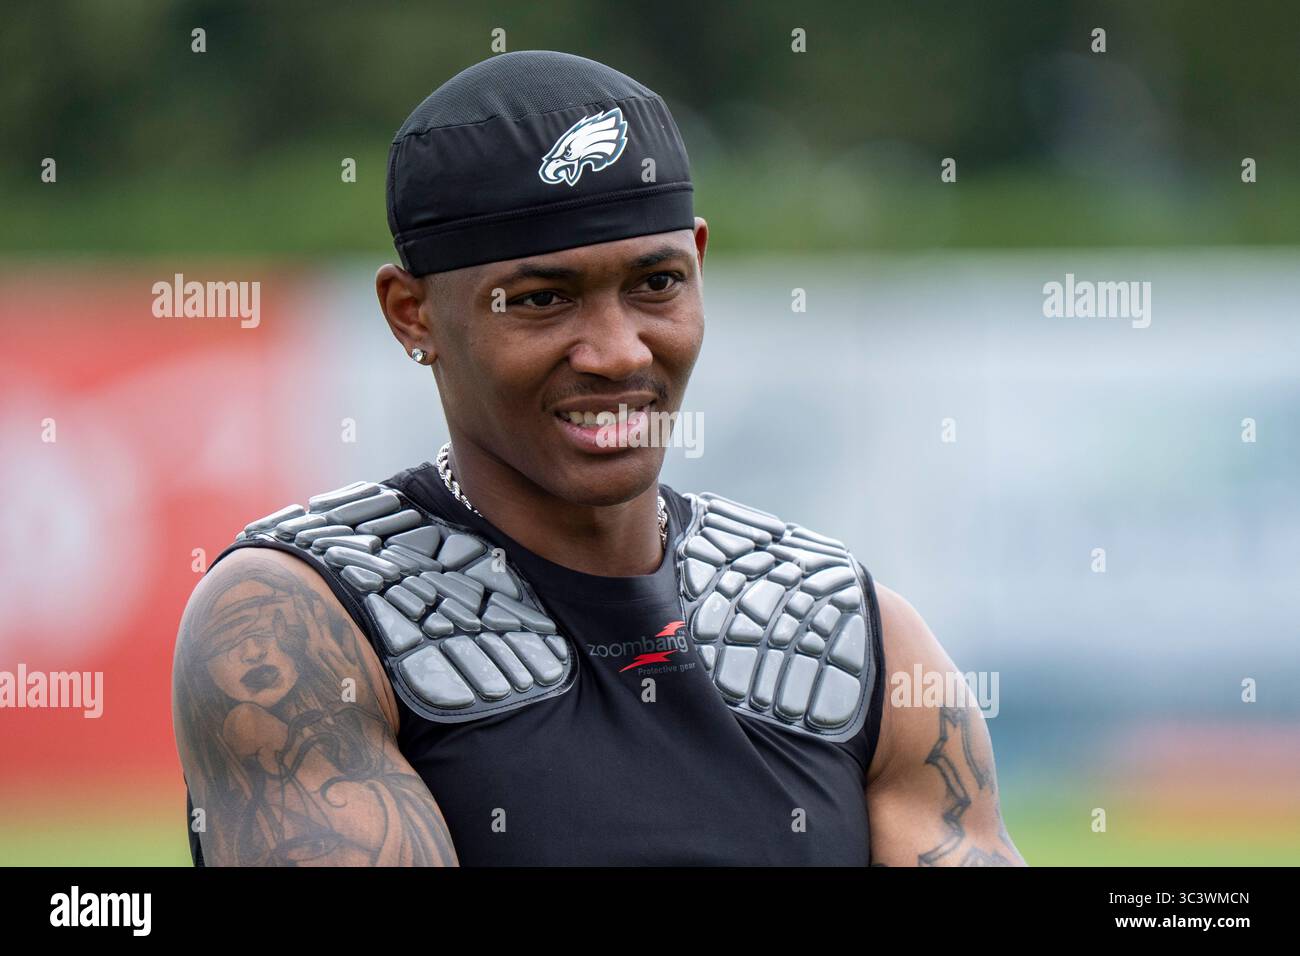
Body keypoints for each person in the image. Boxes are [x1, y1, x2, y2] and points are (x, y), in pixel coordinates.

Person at [171, 49, 1025, 867]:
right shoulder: (304, 621)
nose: (618, 353)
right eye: (544, 300)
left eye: (656, 285)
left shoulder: (845, 631)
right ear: (413, 315)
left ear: (699, 263)